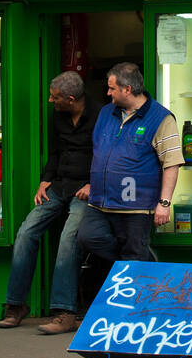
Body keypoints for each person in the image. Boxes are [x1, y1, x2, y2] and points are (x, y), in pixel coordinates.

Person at [0, 71, 96, 334]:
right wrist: (45, 180)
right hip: (59, 185)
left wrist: (94, 185)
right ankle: (16, 305)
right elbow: (55, 152)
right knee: (26, 232)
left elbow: (107, 155)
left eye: (55, 98)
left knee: (69, 239)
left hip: (85, 190)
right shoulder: (58, 116)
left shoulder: (102, 116)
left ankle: (65, 312)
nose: (51, 101)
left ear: (71, 98)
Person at [76, 62, 182, 268]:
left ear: (127, 89)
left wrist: (165, 203)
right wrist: (92, 183)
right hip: (100, 202)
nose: (107, 93)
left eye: (112, 88)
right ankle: (142, 260)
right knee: (88, 238)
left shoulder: (161, 118)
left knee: (133, 257)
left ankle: (139, 270)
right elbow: (98, 152)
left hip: (135, 206)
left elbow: (172, 163)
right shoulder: (106, 113)